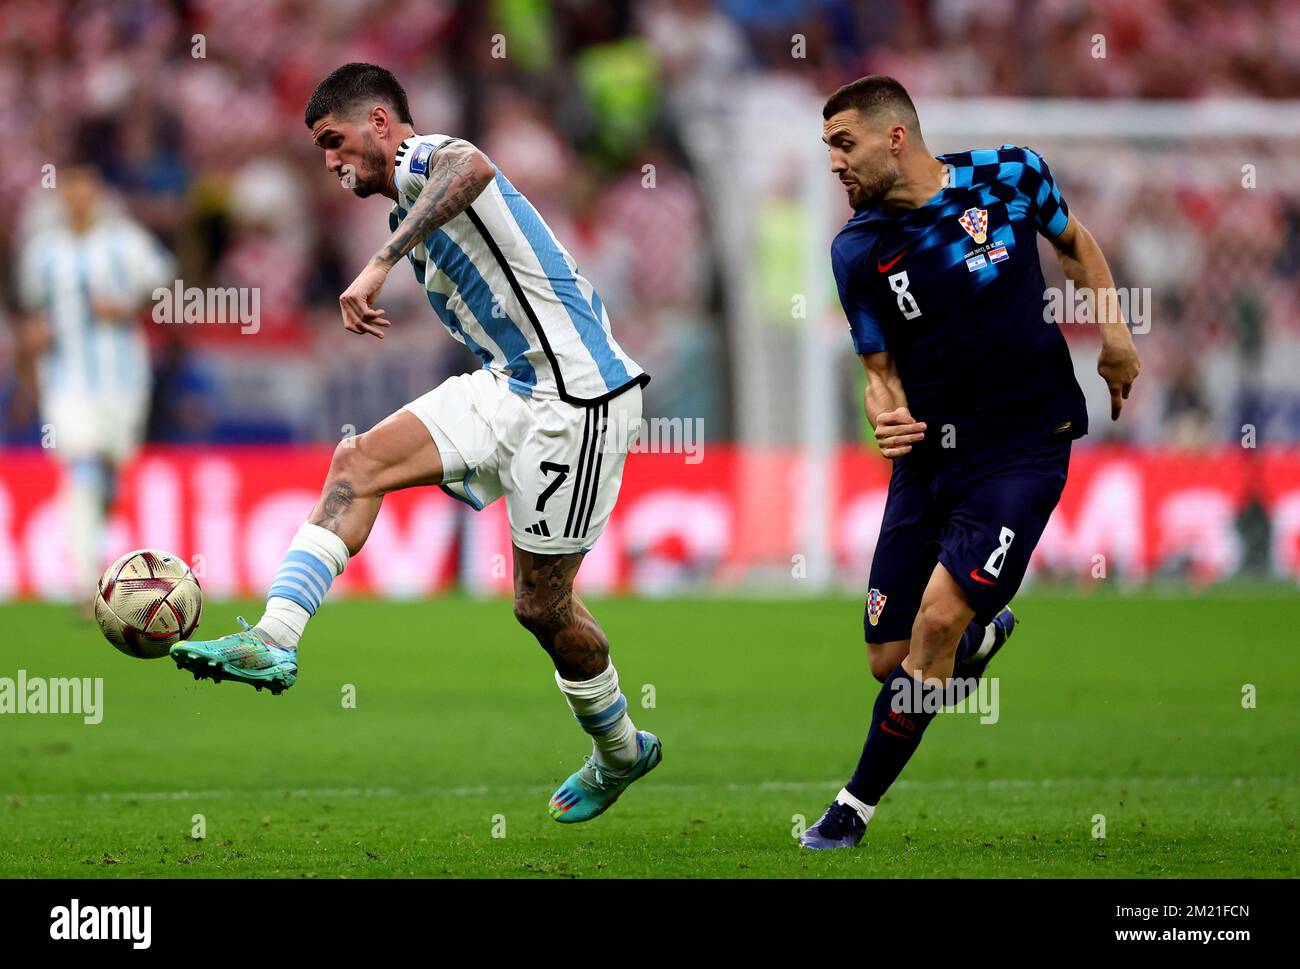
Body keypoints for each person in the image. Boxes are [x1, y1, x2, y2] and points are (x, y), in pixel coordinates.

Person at [171, 64, 659, 825]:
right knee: (356, 462)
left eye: (335, 141)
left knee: (540, 606)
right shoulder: (406, 195)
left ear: (379, 122)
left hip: (577, 397)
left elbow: (473, 165)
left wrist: (379, 262)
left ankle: (623, 748)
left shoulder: (427, 156)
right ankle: (274, 637)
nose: (330, 162)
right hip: (509, 385)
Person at [801, 75, 1141, 849]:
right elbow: (879, 371)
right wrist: (882, 413)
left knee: (936, 624)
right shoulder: (856, 250)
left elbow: (1076, 242)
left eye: (843, 144)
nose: (833, 165)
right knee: (887, 658)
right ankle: (980, 644)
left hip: (1022, 448)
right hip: (927, 461)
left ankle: (850, 811)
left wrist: (1115, 335)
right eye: (827, 150)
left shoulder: (1010, 174)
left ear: (895, 136)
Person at [15, 164, 174, 609]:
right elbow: (32, 314)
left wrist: (126, 307)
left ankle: (96, 553)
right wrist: (33, 345)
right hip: (66, 381)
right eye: (70, 187)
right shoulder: (42, 253)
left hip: (125, 380)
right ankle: (87, 585)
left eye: (86, 186)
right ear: (61, 193)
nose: (78, 196)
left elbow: (167, 286)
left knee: (110, 473)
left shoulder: (127, 243)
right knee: (81, 467)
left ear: (97, 191)